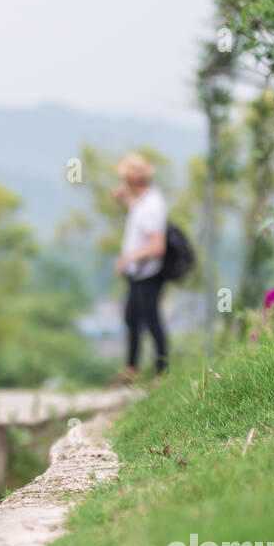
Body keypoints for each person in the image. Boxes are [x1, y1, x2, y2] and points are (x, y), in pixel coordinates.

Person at [112, 154, 168, 379]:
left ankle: (162, 370)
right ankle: (131, 369)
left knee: (151, 321)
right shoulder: (144, 202)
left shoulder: (153, 205)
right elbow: (138, 215)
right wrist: (124, 201)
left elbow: (157, 246)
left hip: (148, 274)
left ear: (133, 180)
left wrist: (129, 258)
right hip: (138, 274)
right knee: (132, 318)